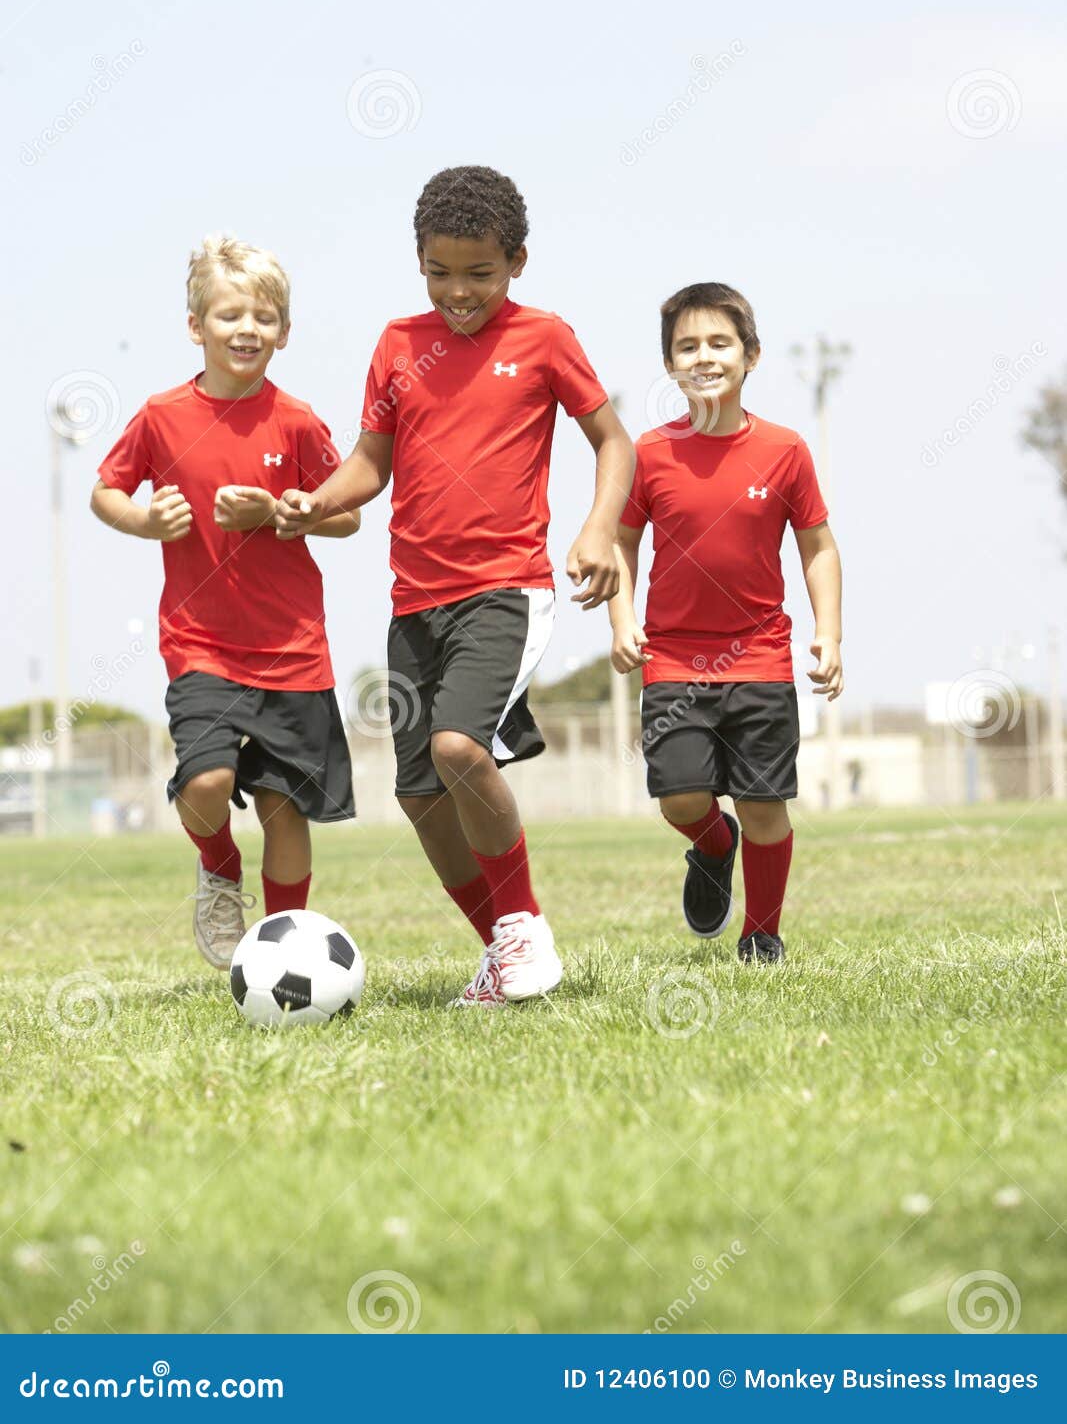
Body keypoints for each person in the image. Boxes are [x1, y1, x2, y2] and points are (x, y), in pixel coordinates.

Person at [276, 166, 634, 1004]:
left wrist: (595, 531)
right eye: (439, 272)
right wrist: (312, 502)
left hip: (506, 588)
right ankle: (500, 949)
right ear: (418, 260)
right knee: (415, 791)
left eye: (479, 273)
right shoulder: (397, 345)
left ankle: (523, 925)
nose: (459, 292)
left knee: (458, 748)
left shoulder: (544, 339)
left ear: (516, 261)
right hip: (414, 602)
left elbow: (614, 442)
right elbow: (369, 464)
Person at [92, 235, 357, 968]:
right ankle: (216, 866)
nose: (248, 329)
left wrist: (280, 510)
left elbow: (345, 513)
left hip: (292, 648)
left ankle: (283, 954)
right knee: (205, 780)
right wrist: (143, 520)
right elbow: (105, 490)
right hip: (200, 644)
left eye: (264, 317)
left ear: (284, 332)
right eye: (230, 314)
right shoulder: (160, 415)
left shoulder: (297, 420)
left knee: (283, 806)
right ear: (195, 325)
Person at [608, 282, 843, 964]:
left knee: (765, 805)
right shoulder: (648, 453)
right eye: (687, 346)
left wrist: (827, 631)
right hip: (674, 661)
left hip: (761, 657)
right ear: (670, 364)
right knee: (680, 800)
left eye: (718, 343)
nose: (703, 356)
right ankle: (713, 846)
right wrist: (621, 618)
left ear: (750, 357)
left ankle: (761, 934)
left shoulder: (784, 449)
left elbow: (817, 545)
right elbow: (620, 543)